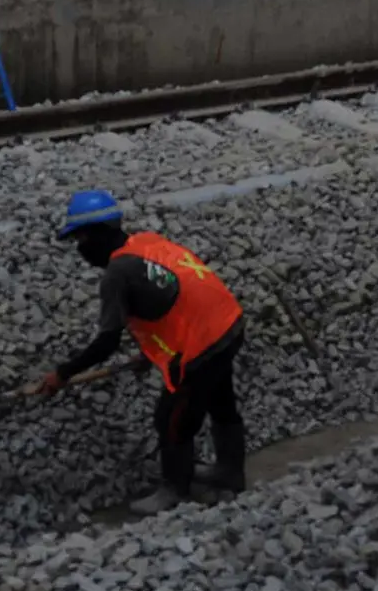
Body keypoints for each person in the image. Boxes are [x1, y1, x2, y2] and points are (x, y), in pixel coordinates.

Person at [30, 190, 247, 513]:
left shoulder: (117, 274)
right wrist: (150, 354)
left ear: (100, 234)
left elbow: (107, 342)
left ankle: (175, 490)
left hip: (200, 346)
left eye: (82, 239)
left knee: (172, 420)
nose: (80, 248)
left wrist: (63, 373)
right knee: (221, 402)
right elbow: (166, 297)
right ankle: (230, 472)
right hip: (228, 323)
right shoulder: (146, 242)